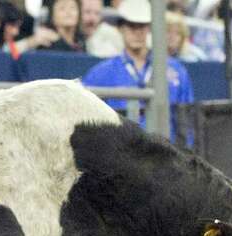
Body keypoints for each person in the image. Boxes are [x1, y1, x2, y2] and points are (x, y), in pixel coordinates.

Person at [81, 0, 195, 141]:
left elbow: (187, 125)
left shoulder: (176, 71)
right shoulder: (100, 73)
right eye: (131, 25)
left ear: (149, 28)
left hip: (165, 155)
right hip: (120, 157)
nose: (137, 32)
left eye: (141, 26)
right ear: (121, 28)